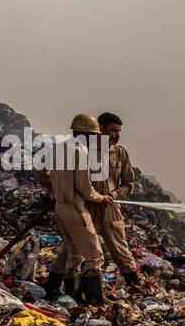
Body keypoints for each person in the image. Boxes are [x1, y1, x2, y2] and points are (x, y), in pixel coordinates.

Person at [43, 113, 111, 305]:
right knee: (95, 254)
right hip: (74, 207)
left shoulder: (57, 148)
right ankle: (95, 299)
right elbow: (84, 187)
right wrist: (100, 198)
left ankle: (66, 293)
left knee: (73, 250)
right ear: (87, 135)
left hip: (59, 206)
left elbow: (40, 170)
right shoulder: (80, 151)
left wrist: (53, 187)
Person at [92, 111, 141, 287]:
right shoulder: (83, 151)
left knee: (121, 249)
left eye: (119, 131)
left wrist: (114, 195)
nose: (116, 134)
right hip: (88, 206)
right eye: (113, 130)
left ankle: (134, 285)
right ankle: (58, 285)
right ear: (100, 128)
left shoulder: (120, 153)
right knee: (79, 249)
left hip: (111, 207)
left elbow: (129, 183)